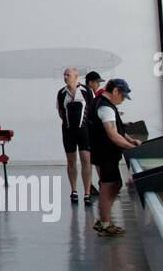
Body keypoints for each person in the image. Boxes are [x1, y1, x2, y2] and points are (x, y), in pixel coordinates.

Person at [87, 79, 140, 237]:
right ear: (115, 91)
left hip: (103, 152)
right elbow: (113, 135)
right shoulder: (105, 107)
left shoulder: (101, 103)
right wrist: (133, 148)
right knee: (108, 186)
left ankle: (104, 219)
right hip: (105, 153)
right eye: (122, 96)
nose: (122, 100)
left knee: (114, 184)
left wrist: (130, 140)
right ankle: (105, 224)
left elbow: (118, 130)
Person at [56, 67, 97, 205]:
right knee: (71, 161)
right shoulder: (61, 93)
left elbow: (93, 109)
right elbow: (61, 112)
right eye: (64, 75)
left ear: (76, 76)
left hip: (84, 131)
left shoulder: (87, 91)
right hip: (68, 131)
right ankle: (74, 191)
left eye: (68, 75)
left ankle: (87, 192)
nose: (65, 77)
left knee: (86, 160)